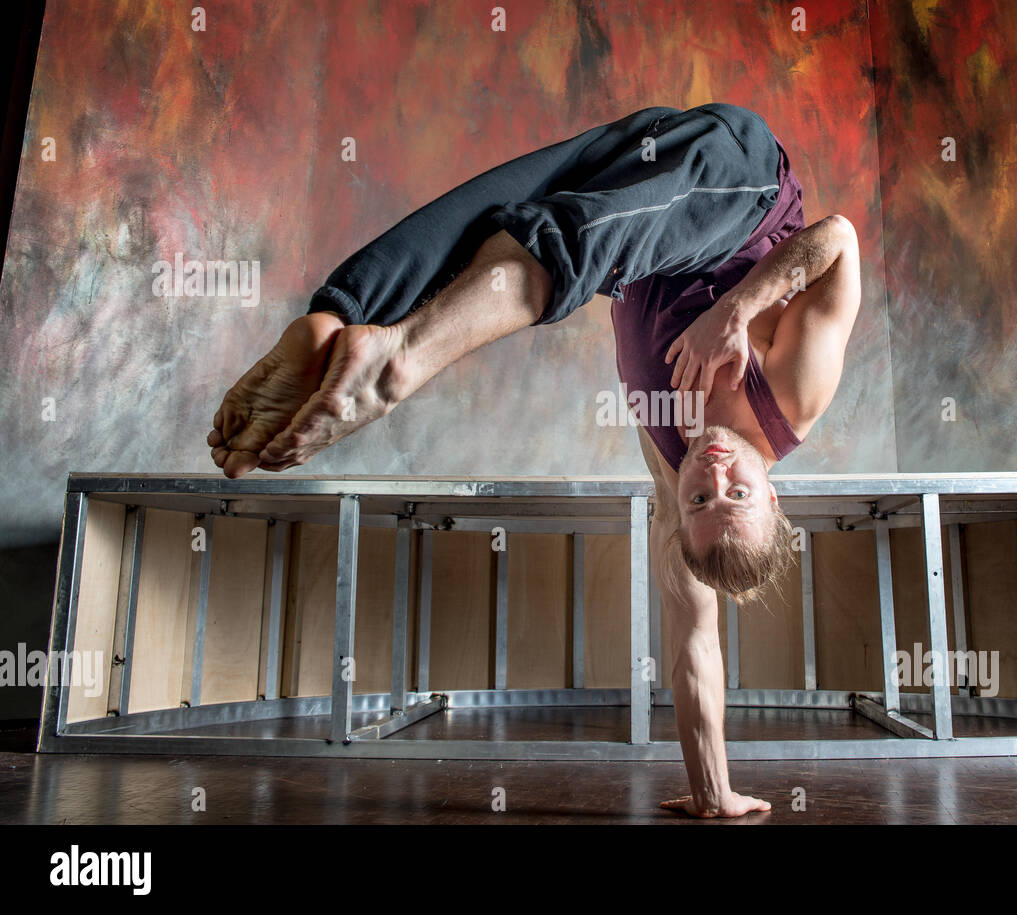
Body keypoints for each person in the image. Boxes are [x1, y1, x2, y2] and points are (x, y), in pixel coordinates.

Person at [207, 103, 860, 818]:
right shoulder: (793, 394)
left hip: (640, 191)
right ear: (775, 498)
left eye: (702, 503)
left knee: (494, 223)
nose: (712, 477)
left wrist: (716, 794)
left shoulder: (674, 472)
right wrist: (738, 310)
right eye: (737, 494)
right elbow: (838, 238)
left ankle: (343, 322)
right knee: (574, 252)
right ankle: (398, 368)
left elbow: (695, 644)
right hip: (738, 172)